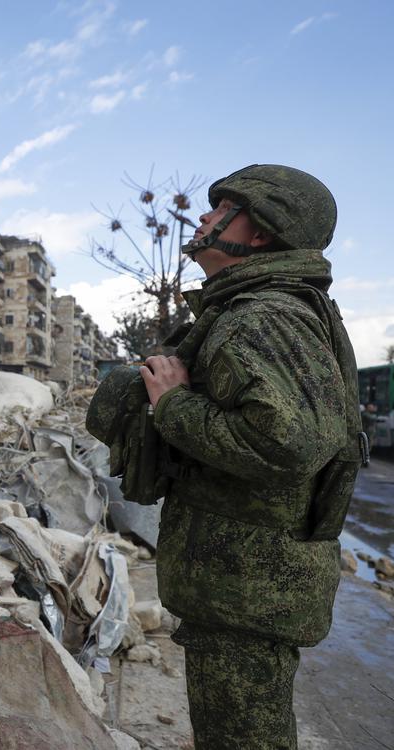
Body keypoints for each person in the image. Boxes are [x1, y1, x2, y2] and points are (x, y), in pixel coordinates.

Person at [90, 165, 363, 749]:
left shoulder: (262, 317)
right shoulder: (259, 309)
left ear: (260, 231)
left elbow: (289, 444)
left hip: (248, 590)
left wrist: (173, 404)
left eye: (222, 209)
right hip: (243, 587)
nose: (204, 216)